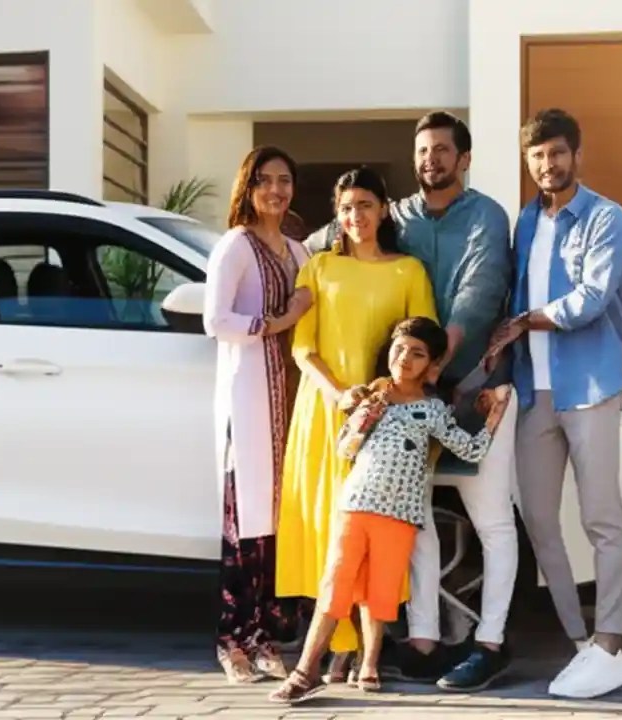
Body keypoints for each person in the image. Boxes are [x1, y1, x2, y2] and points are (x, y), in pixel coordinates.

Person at [305, 111, 519, 692]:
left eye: (443, 150)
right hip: (412, 397)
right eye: (423, 150)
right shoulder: (397, 212)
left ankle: (491, 642)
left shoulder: (487, 217)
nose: (431, 159)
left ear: (464, 159)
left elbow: (478, 293)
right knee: (415, 521)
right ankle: (423, 642)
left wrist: (435, 361)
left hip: (474, 385)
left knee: (492, 521)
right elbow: (334, 236)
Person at [268, 317, 510, 705]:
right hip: (357, 505)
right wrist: (364, 416)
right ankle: (306, 671)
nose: (406, 358)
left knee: (380, 591)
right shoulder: (371, 396)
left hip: (400, 515)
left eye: (418, 354)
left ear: (432, 365)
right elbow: (345, 449)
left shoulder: (433, 410)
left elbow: (471, 450)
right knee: (335, 583)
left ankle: (370, 663)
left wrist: (492, 415)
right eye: (400, 349)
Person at [482, 107, 622, 699]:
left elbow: (593, 299)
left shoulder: (606, 217)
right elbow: (516, 291)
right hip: (534, 393)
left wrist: (525, 322)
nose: (547, 165)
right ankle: (579, 643)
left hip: (589, 386)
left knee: (601, 518)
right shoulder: (526, 220)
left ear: (576, 154)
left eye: (556, 153)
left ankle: (611, 642)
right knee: (540, 519)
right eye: (537, 156)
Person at [274, 166, 437, 684]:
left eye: (365, 205)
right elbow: (302, 347)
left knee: (372, 532)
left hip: (383, 423)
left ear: (383, 209)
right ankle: (332, 643)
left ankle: (356, 652)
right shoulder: (319, 267)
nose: (355, 216)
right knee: (331, 529)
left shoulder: (408, 270)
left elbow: (425, 347)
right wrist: (338, 393)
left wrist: (384, 399)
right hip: (324, 412)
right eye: (345, 208)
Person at [204, 145, 312, 683]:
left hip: (290, 401)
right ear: (247, 187)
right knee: (244, 522)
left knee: (277, 524)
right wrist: (279, 319)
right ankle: (233, 639)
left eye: (285, 180)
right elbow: (215, 319)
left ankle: (266, 636)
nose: (276, 190)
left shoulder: (297, 249)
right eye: (265, 180)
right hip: (248, 399)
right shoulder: (236, 245)